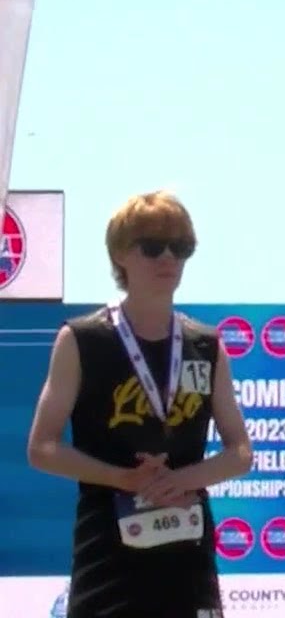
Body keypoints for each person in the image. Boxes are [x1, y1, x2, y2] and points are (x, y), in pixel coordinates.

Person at [26, 190, 253, 618]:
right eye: (152, 247)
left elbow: (240, 453)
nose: (168, 258)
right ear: (120, 254)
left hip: (187, 548)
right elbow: (42, 448)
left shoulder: (207, 345)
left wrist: (183, 478)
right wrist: (122, 478)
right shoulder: (82, 339)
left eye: (180, 248)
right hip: (108, 547)